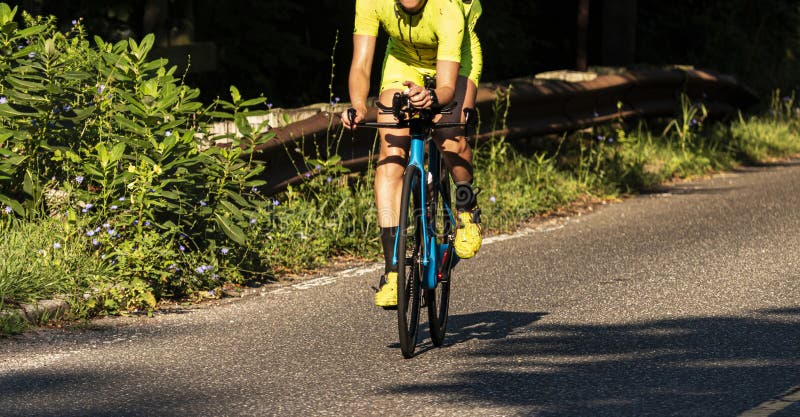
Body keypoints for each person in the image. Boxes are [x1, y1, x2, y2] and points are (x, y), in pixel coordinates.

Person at [341, 0, 483, 308]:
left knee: (448, 133)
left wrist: (431, 96)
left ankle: (466, 208)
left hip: (455, 63)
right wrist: (358, 107)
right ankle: (393, 272)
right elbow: (361, 64)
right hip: (403, 61)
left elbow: (446, 87)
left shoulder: (447, 9)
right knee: (391, 153)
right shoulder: (371, 2)